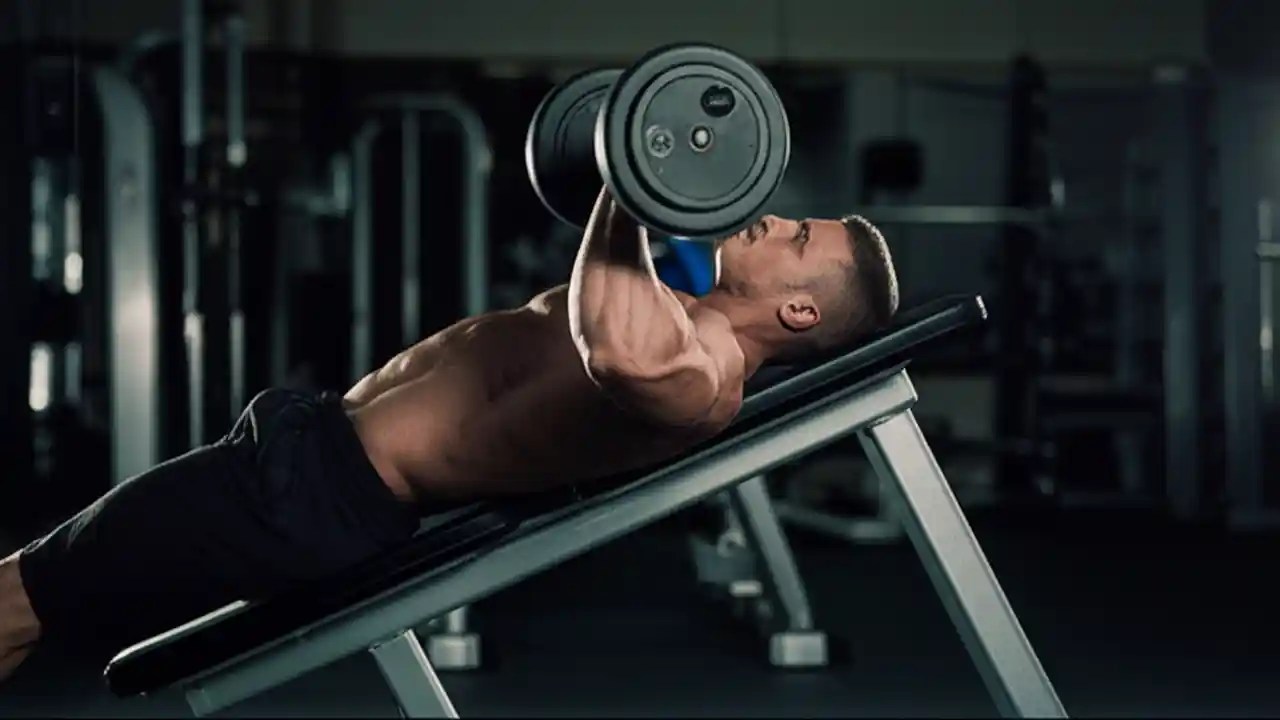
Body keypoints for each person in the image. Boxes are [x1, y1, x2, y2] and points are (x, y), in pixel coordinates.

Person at [0, 189, 899, 680]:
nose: (773, 219)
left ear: (801, 309)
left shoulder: (705, 375)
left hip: (317, 495)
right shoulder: (679, 307)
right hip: (306, 455)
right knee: (32, 602)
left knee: (22, 596)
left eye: (796, 237)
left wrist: (633, 181)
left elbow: (623, 355)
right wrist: (626, 179)